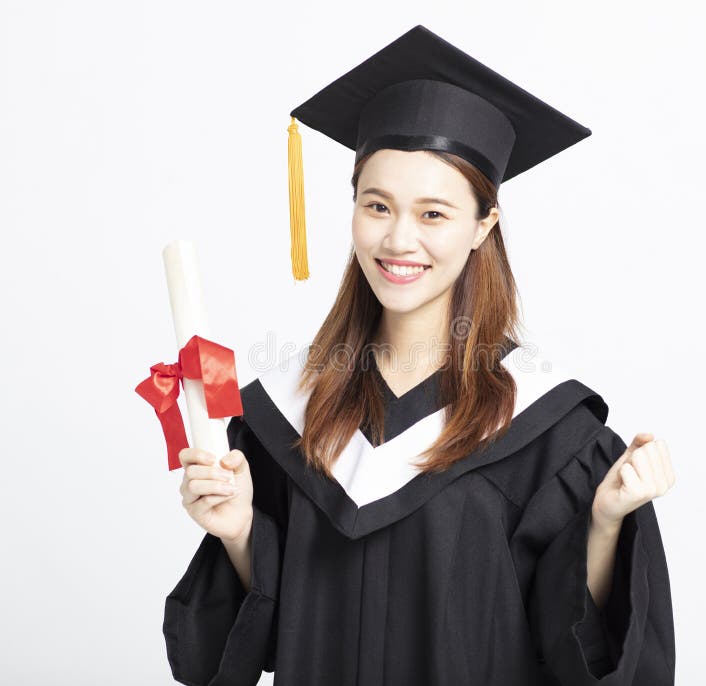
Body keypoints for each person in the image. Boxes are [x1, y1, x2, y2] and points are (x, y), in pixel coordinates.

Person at [163, 24, 676, 686]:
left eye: (434, 214)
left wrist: (605, 523)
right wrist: (238, 532)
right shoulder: (287, 418)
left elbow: (577, 648)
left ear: (483, 226)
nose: (398, 238)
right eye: (378, 205)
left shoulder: (555, 436)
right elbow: (259, 638)